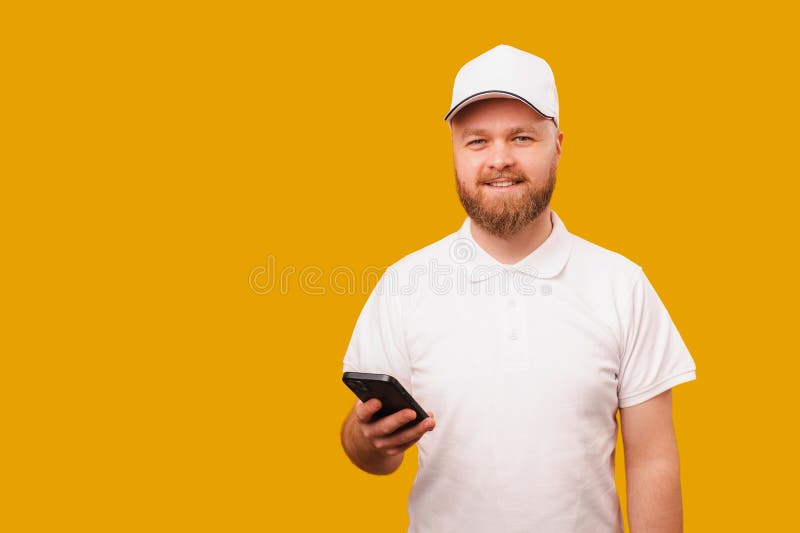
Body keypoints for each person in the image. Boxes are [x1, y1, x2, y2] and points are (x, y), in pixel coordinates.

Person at [340, 44, 696, 533]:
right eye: (477, 141)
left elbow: (653, 458)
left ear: (559, 145)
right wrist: (366, 440)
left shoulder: (622, 286)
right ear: (455, 152)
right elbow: (371, 456)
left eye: (522, 137)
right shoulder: (405, 285)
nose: (499, 159)